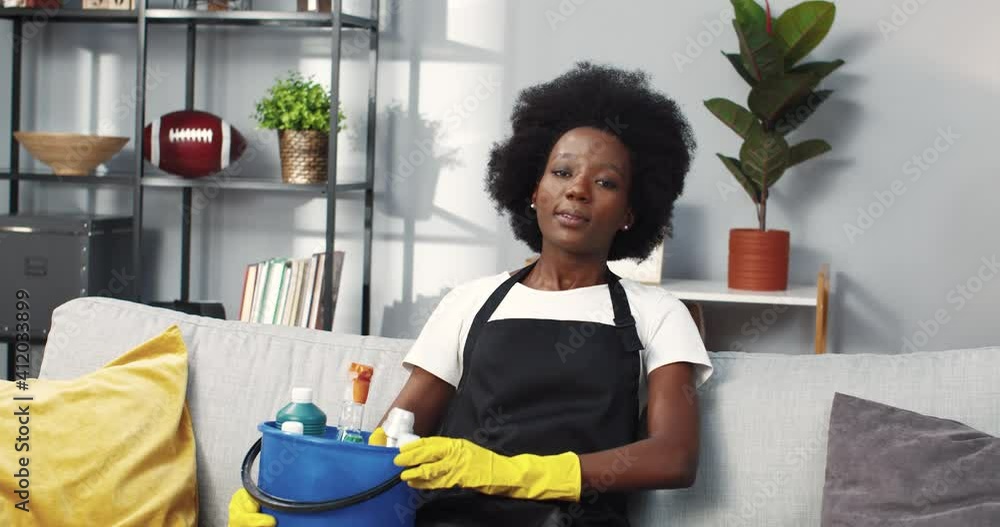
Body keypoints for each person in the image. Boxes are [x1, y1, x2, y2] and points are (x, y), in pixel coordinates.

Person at [229, 61, 713, 527]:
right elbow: (391, 445)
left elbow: (674, 457)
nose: (578, 191)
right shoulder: (470, 301)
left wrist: (514, 474)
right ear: (532, 189)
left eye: (605, 182)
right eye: (562, 173)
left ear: (631, 211)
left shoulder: (658, 314)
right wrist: (290, 499)